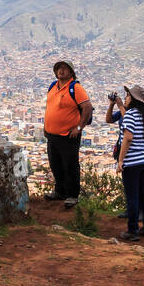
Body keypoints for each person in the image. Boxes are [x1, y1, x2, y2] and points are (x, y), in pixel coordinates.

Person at [42, 59, 93, 208]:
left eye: (64, 68)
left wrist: (79, 128)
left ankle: (72, 195)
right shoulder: (53, 86)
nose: (61, 71)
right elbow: (50, 108)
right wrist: (46, 127)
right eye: (59, 68)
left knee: (70, 165)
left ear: (71, 72)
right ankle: (60, 191)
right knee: (55, 164)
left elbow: (87, 107)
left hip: (68, 135)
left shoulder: (75, 87)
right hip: (52, 135)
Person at [112, 85, 144, 241]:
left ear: (132, 99)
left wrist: (120, 160)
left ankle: (132, 231)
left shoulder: (131, 114)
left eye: (127, 96)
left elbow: (128, 137)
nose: (125, 98)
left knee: (132, 196)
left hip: (133, 162)